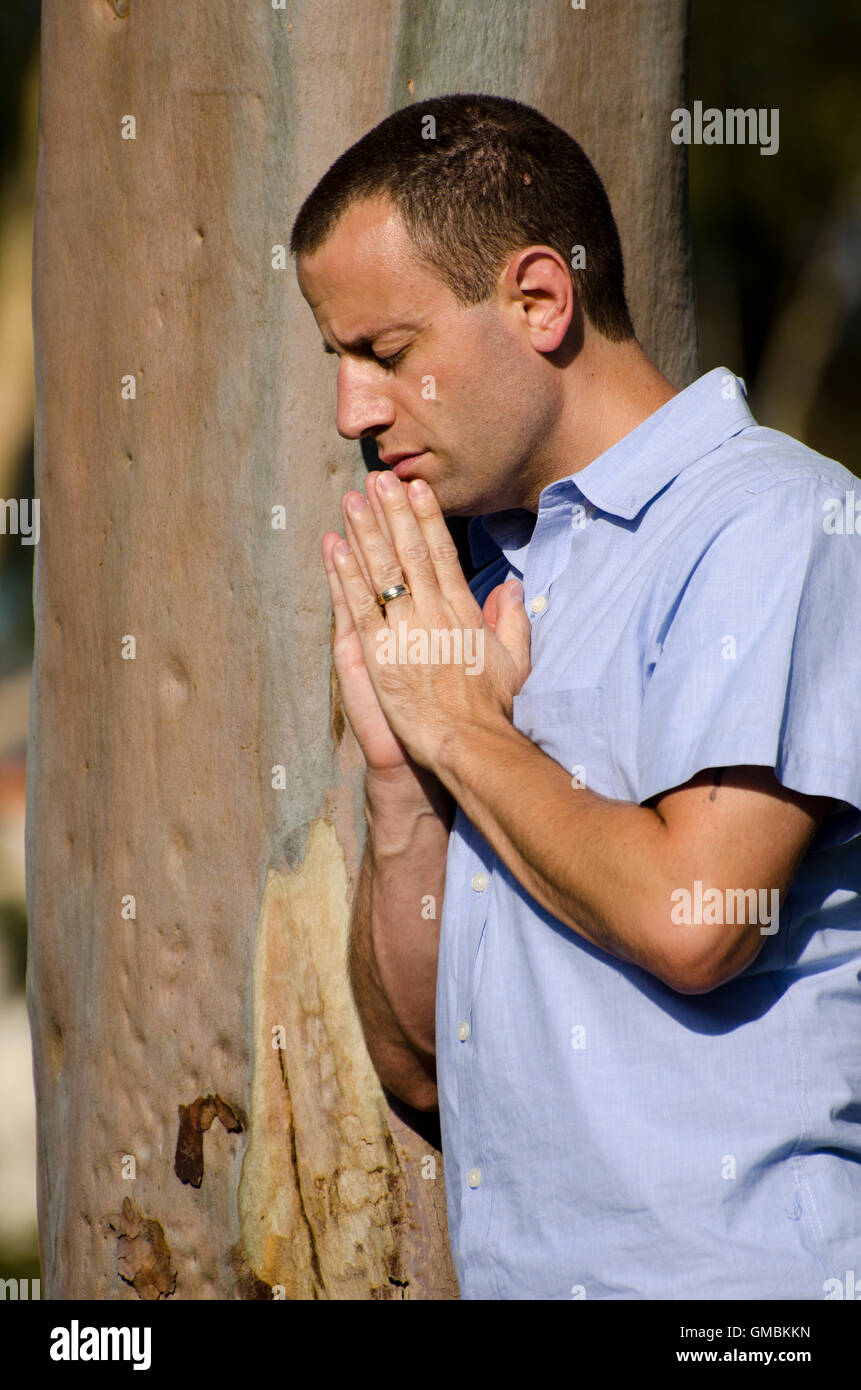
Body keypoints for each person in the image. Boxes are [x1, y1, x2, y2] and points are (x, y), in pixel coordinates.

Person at [290, 93, 861, 1300]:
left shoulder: (775, 520)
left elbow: (694, 919)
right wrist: (405, 790)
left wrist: (460, 730)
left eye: (385, 355)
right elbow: (420, 1064)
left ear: (541, 300)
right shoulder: (472, 581)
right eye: (336, 362)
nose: (351, 412)